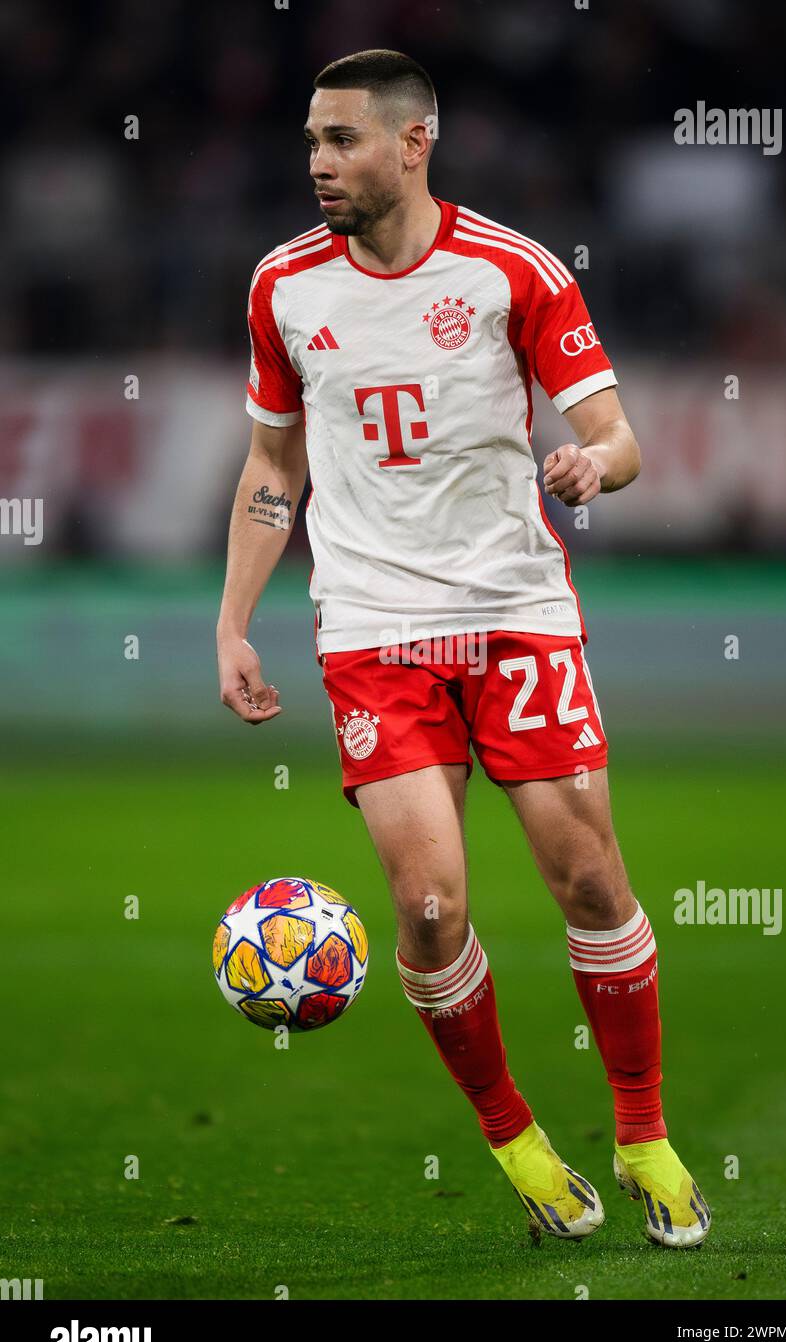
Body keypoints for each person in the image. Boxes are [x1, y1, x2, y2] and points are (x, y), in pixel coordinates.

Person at [217, 48, 710, 1248]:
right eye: (311, 143)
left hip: (513, 610)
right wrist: (232, 618)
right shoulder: (282, 286)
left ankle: (641, 1133)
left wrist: (594, 464)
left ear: (413, 142)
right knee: (430, 906)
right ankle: (520, 1146)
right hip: (375, 628)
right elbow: (273, 466)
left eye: (341, 141)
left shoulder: (509, 271)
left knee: (587, 878)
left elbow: (617, 435)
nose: (319, 164)